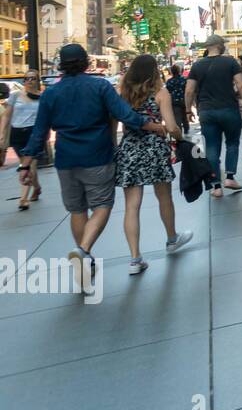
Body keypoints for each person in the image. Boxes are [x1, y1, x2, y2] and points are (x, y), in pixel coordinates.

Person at [18, 44, 169, 290]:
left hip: (66, 160)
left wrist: (25, 164)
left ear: (61, 65)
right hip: (96, 157)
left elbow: (39, 133)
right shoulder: (99, 86)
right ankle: (83, 250)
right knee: (101, 206)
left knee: (77, 211)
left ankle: (84, 262)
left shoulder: (50, 94)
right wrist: (151, 125)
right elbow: (124, 114)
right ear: (86, 62)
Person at [116, 55, 193, 275]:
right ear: (153, 72)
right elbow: (171, 125)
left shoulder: (123, 94)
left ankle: (134, 258)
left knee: (132, 205)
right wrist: (176, 134)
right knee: (164, 197)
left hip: (130, 149)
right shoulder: (161, 93)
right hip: (155, 149)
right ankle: (171, 239)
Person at [185, 34, 242, 197]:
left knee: (212, 147)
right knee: (232, 143)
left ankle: (216, 186)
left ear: (207, 47)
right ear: (220, 46)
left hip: (206, 112)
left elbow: (189, 90)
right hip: (229, 109)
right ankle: (229, 177)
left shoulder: (197, 65)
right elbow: (241, 84)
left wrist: (188, 110)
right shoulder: (230, 62)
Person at [1, 70, 45, 208]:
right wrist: (2, 133)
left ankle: (23, 198)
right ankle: (37, 187)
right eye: (27, 78)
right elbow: (7, 116)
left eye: (33, 78)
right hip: (17, 133)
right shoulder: (15, 95)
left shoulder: (43, 97)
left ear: (38, 80)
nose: (29, 81)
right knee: (27, 164)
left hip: (34, 133)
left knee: (28, 164)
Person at [165, 63, 189, 134]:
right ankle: (186, 128)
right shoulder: (184, 79)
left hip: (174, 102)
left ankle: (179, 132)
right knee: (185, 115)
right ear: (179, 71)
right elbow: (187, 90)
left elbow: (168, 92)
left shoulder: (169, 81)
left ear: (172, 72)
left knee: (177, 117)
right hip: (184, 100)